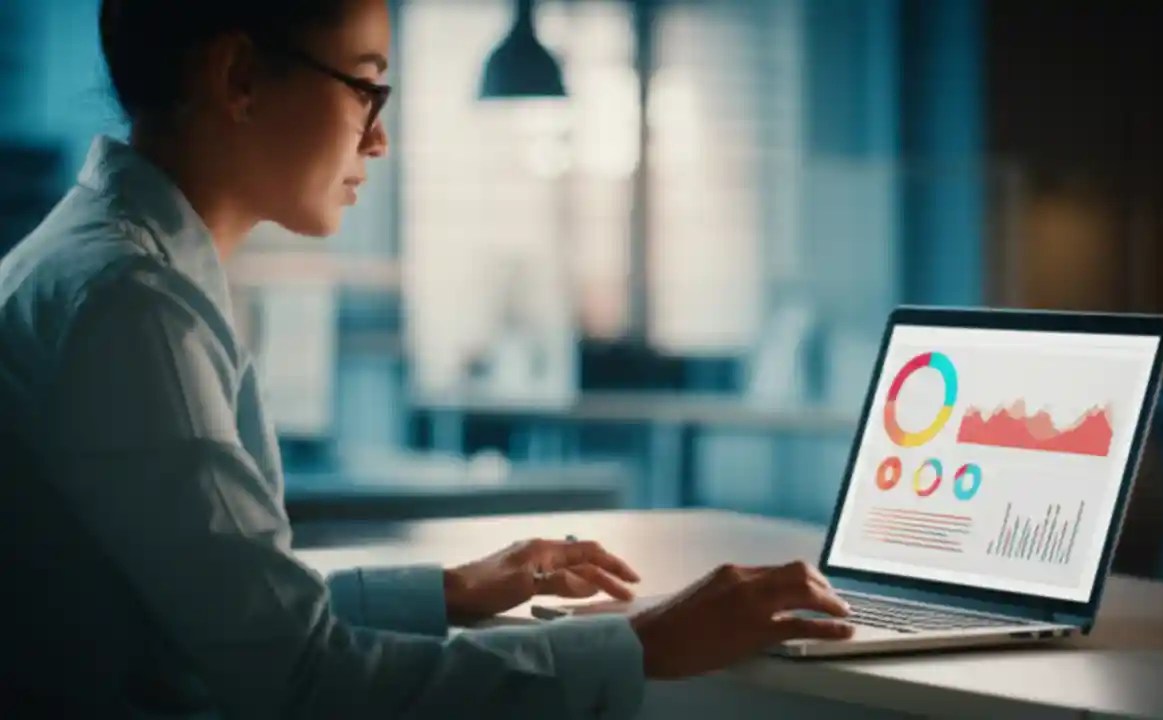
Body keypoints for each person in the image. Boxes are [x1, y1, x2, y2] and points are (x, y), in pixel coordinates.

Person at [0, 0, 855, 716]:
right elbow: (298, 679)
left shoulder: (106, 265)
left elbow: (216, 620)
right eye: (368, 88)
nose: (379, 140)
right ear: (240, 78)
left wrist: (448, 589)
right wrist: (642, 644)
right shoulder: (132, 302)